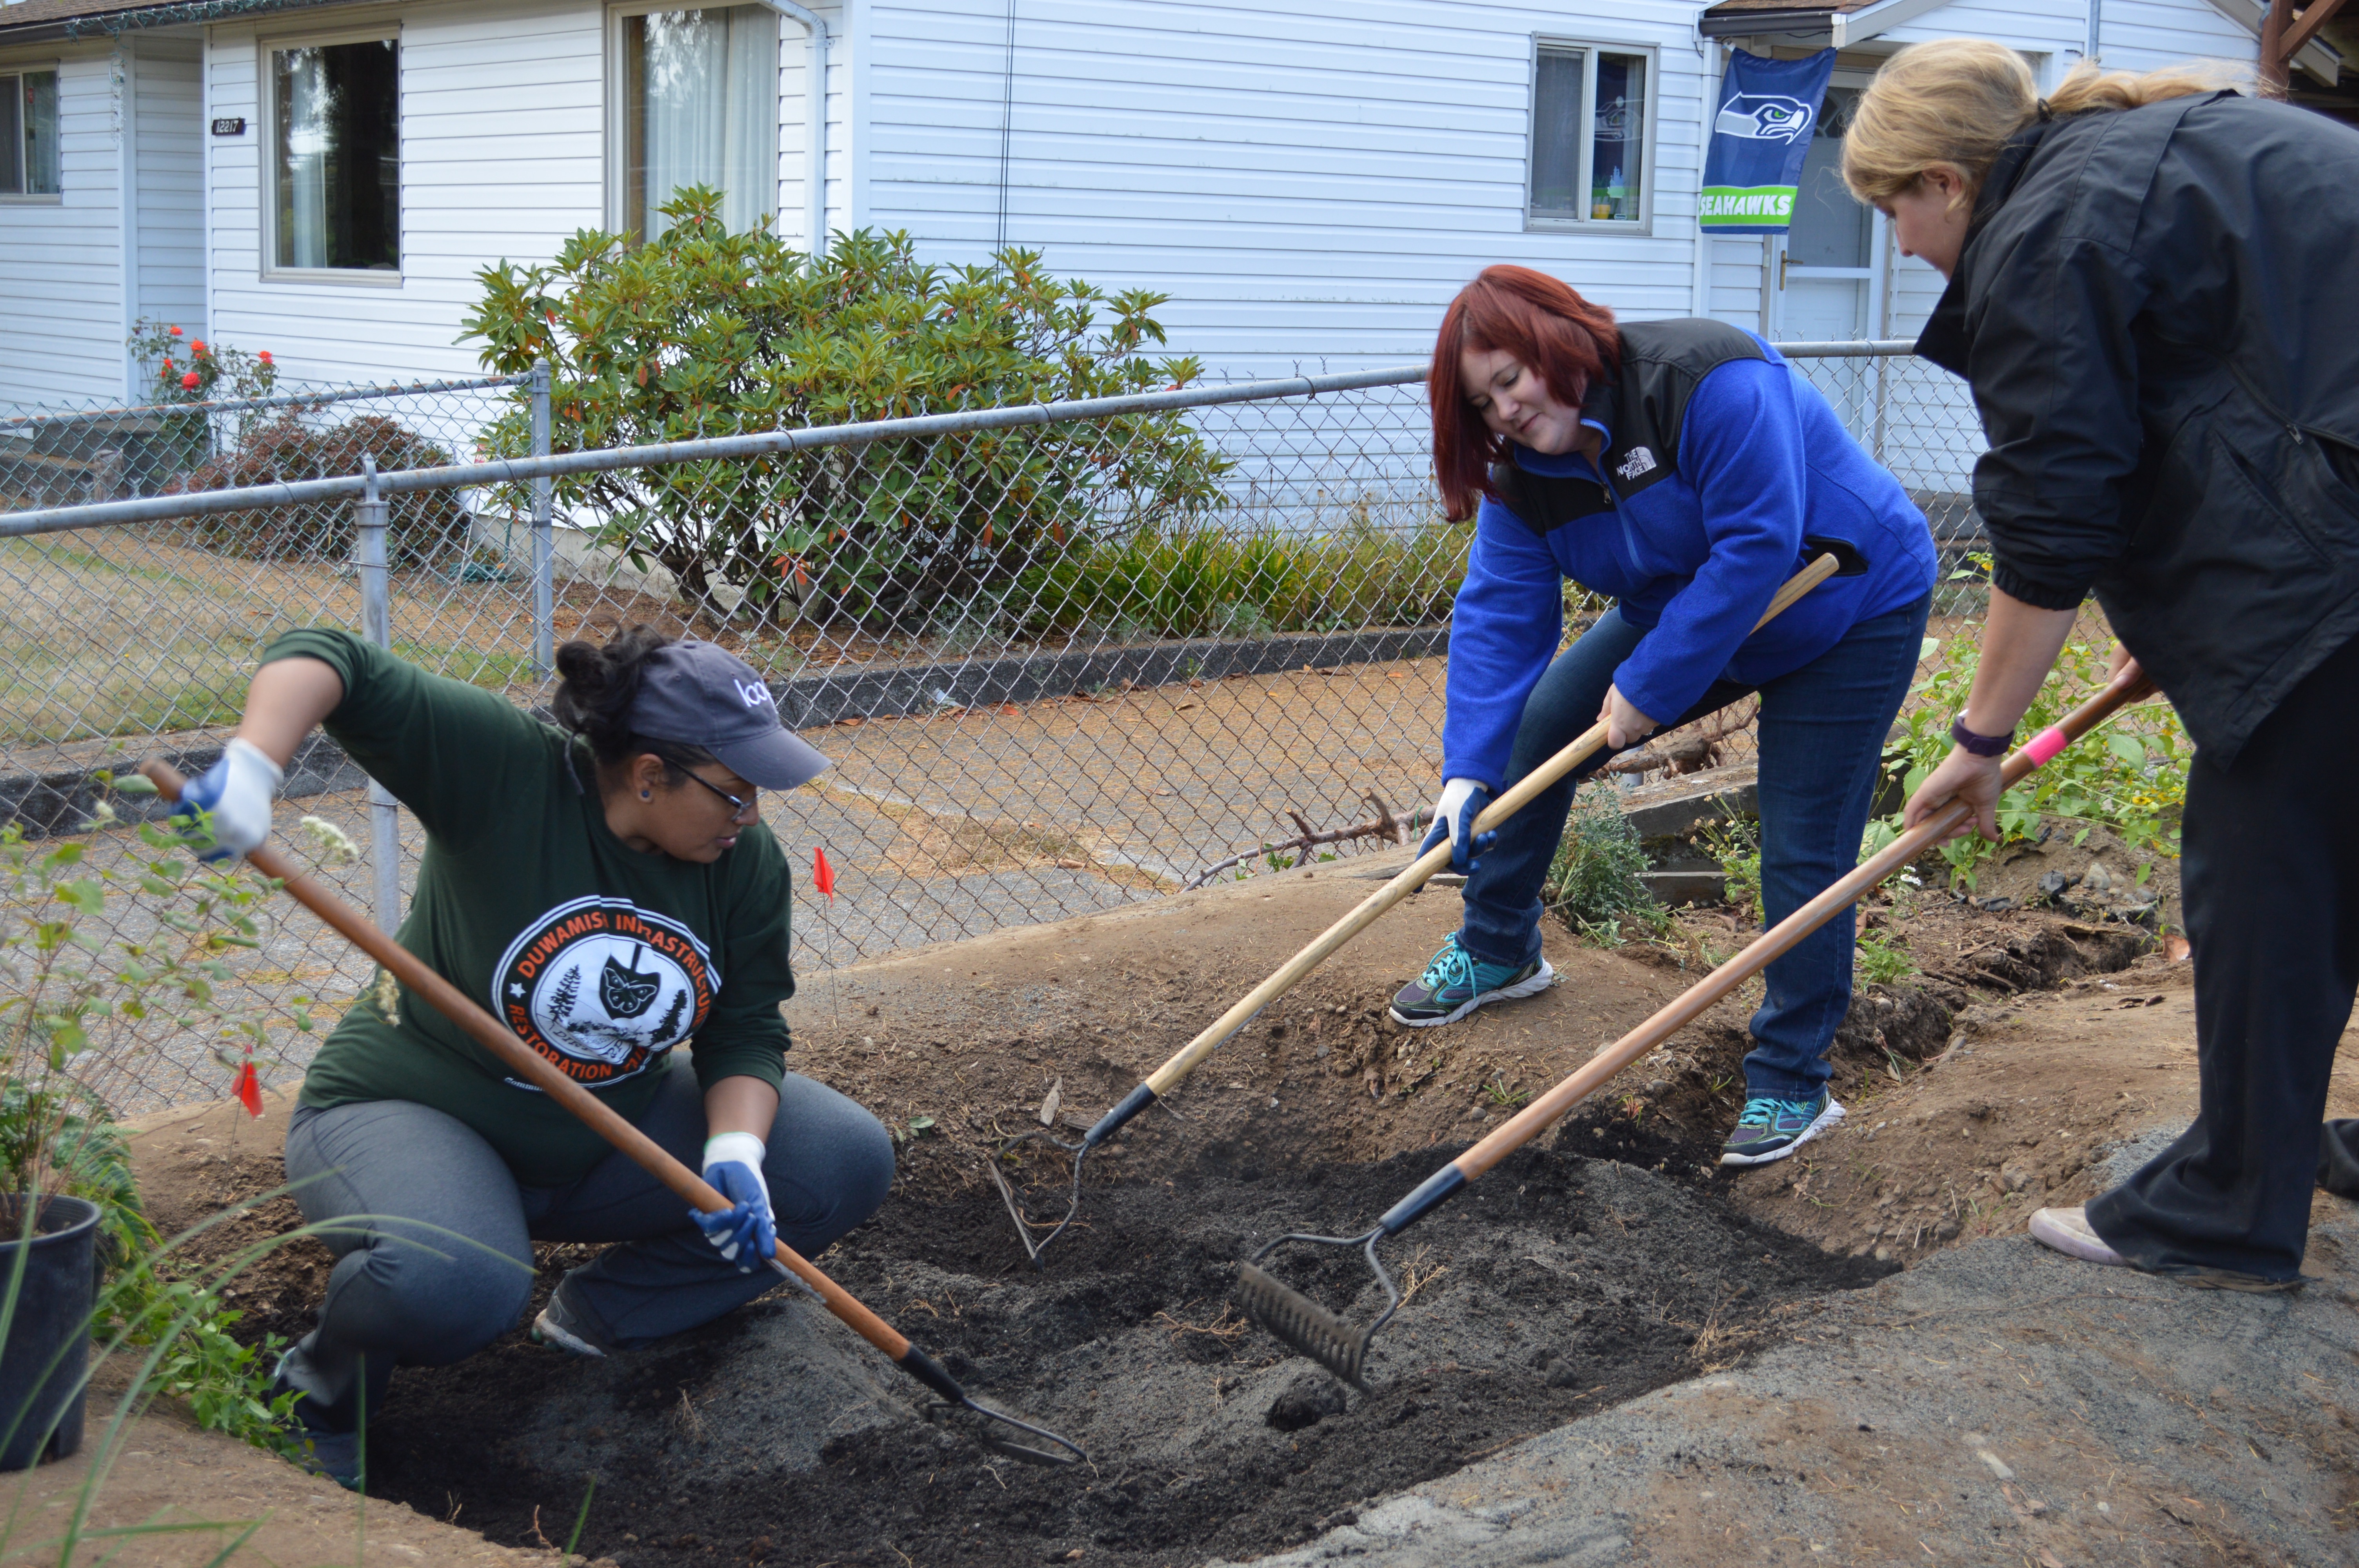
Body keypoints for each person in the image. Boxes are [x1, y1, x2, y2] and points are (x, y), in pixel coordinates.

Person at [1848, 43, 2359, 1290]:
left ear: (1945, 181)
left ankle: (2228, 1212)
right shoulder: (2151, 158)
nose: (1903, 247)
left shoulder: (2049, 231)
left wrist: (1976, 746)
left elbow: (2054, 510)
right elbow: (2219, 387)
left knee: (2262, 872)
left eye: (1891, 213)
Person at [174, 625, 894, 1483]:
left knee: (838, 1161)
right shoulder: (508, 772)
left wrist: (734, 1154)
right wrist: (255, 766)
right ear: (648, 773)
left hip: (599, 1134)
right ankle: (318, 1391)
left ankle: (601, 1314)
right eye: (734, 793)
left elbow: (744, 1027)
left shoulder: (742, 863)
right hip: (408, 1109)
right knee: (457, 1285)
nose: (751, 816)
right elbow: (332, 658)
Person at [1403, 265, 1938, 1165]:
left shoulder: (1703, 380)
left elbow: (1758, 542)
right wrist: (1467, 774)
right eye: (1481, 401)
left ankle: (1789, 1081)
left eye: (1509, 378)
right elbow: (1499, 612)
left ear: (1553, 343)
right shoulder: (1523, 475)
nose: (1503, 410)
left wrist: (1651, 687)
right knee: (1538, 734)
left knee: (1801, 840)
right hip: (1683, 604)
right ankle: (1497, 948)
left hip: (1843, 597)